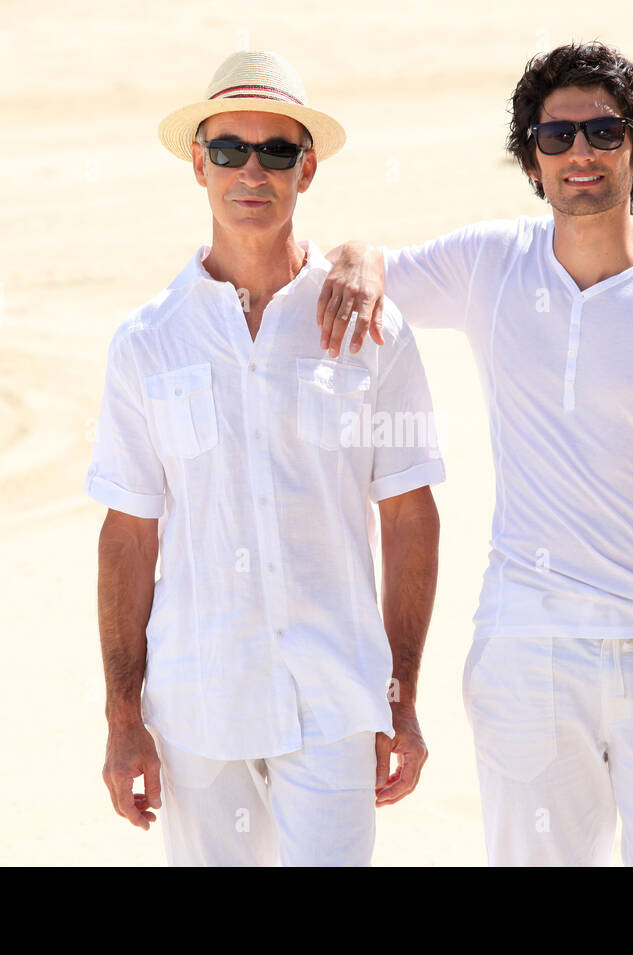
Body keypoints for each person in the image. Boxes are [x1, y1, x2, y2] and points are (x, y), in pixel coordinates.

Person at [317, 41, 633, 866]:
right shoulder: (490, 263)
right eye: (556, 137)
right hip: (527, 654)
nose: (580, 152)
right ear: (532, 161)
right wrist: (352, 253)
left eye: (604, 132)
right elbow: (370, 270)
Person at [84, 50, 444, 866]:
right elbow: (128, 535)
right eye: (229, 150)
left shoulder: (371, 329)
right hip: (197, 706)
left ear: (306, 169)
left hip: (336, 702)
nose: (252, 171)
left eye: (276, 151)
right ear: (198, 164)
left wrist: (402, 696)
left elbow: (409, 518)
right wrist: (122, 717)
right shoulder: (148, 341)